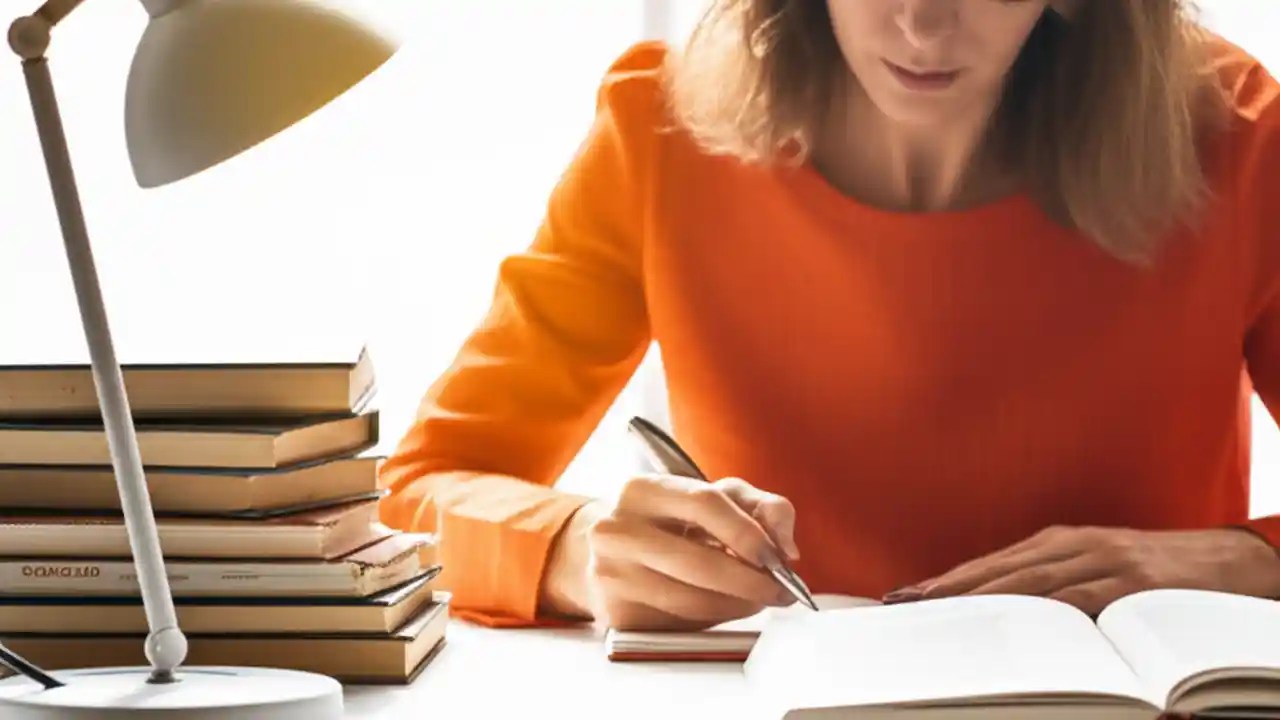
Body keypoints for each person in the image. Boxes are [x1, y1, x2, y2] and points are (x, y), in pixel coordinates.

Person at [378, 0, 1280, 631]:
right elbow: (416, 495)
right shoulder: (662, 131)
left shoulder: (1239, 139)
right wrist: (577, 551)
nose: (924, 23)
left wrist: (1249, 562)